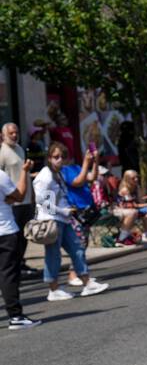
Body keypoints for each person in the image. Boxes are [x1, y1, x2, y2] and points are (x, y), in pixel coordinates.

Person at [33, 142, 109, 301]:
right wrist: (62, 211)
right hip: (51, 221)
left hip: (64, 219)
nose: (60, 160)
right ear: (49, 158)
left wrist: (66, 211)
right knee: (54, 256)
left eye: (62, 157)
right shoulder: (45, 176)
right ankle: (53, 289)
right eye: (56, 157)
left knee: (77, 249)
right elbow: (42, 202)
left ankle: (87, 283)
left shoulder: (58, 173)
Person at [1, 157, 40, 328]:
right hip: (5, 231)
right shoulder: (1, 176)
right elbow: (20, 195)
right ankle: (16, 316)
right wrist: (24, 171)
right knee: (9, 275)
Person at [1, 123, 41, 282]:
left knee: (25, 235)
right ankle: (13, 266)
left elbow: (24, 173)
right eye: (11, 133)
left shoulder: (19, 149)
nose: (14, 135)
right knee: (14, 238)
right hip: (11, 202)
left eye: (16, 132)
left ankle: (20, 263)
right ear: (4, 135)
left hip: (25, 199)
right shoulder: (2, 152)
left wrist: (31, 194)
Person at [113, 170, 147, 245]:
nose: (136, 179)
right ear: (127, 179)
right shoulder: (125, 190)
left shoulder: (136, 187)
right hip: (124, 210)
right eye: (133, 178)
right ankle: (123, 238)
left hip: (134, 209)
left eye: (137, 177)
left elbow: (140, 201)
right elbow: (133, 205)